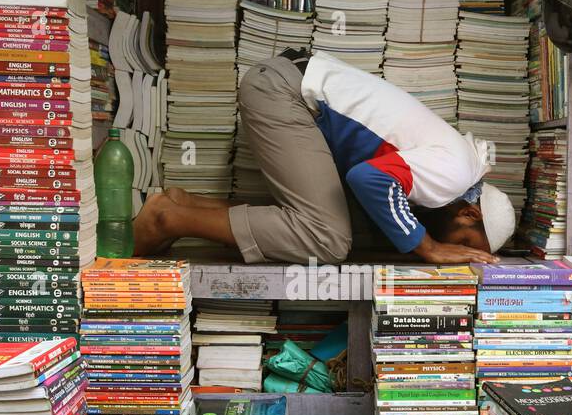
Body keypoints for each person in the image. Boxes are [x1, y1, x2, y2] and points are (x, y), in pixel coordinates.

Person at [132, 48, 517, 265]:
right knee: (328, 239)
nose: (459, 252)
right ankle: (167, 219)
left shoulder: (457, 165)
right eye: (466, 243)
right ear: (470, 213)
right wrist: (429, 247)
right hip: (285, 92)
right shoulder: (456, 175)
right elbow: (370, 179)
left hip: (287, 85)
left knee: (342, 227)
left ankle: (183, 205)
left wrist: (418, 240)